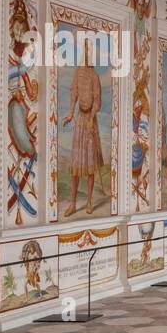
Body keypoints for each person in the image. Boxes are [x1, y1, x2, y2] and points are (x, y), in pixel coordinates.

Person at [62, 47, 104, 216]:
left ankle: (88, 202)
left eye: (89, 53)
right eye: (85, 52)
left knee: (90, 165)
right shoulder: (78, 72)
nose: (87, 56)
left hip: (90, 122)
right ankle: (72, 204)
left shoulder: (95, 76)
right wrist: (71, 113)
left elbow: (97, 100)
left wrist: (91, 118)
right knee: (77, 163)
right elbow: (74, 94)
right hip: (80, 120)